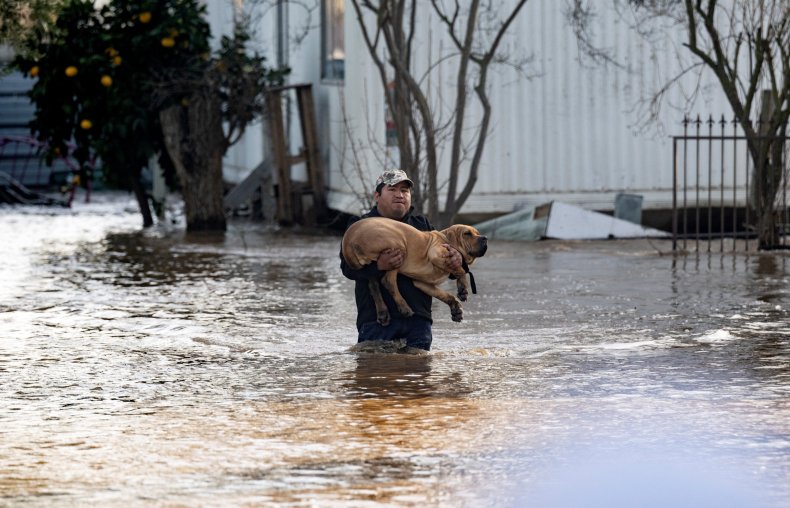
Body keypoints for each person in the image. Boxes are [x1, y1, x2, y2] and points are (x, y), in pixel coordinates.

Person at [340, 169, 462, 351]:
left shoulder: (422, 225)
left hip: (418, 321)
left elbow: (442, 264)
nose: (399, 195)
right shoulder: (361, 225)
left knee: (417, 377)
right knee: (376, 377)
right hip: (377, 322)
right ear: (377, 196)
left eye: (404, 190)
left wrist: (457, 261)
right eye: (392, 189)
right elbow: (347, 268)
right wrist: (379, 266)